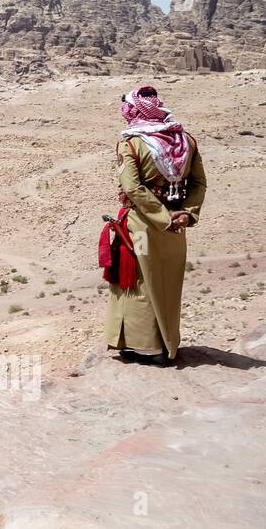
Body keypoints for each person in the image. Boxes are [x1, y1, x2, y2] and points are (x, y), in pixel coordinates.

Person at [103, 85, 206, 364]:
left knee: (138, 278)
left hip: (142, 225)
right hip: (177, 226)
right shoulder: (186, 140)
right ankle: (166, 343)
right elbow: (198, 184)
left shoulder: (132, 143)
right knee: (167, 282)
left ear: (134, 111)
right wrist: (186, 213)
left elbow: (133, 188)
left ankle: (145, 347)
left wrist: (161, 217)